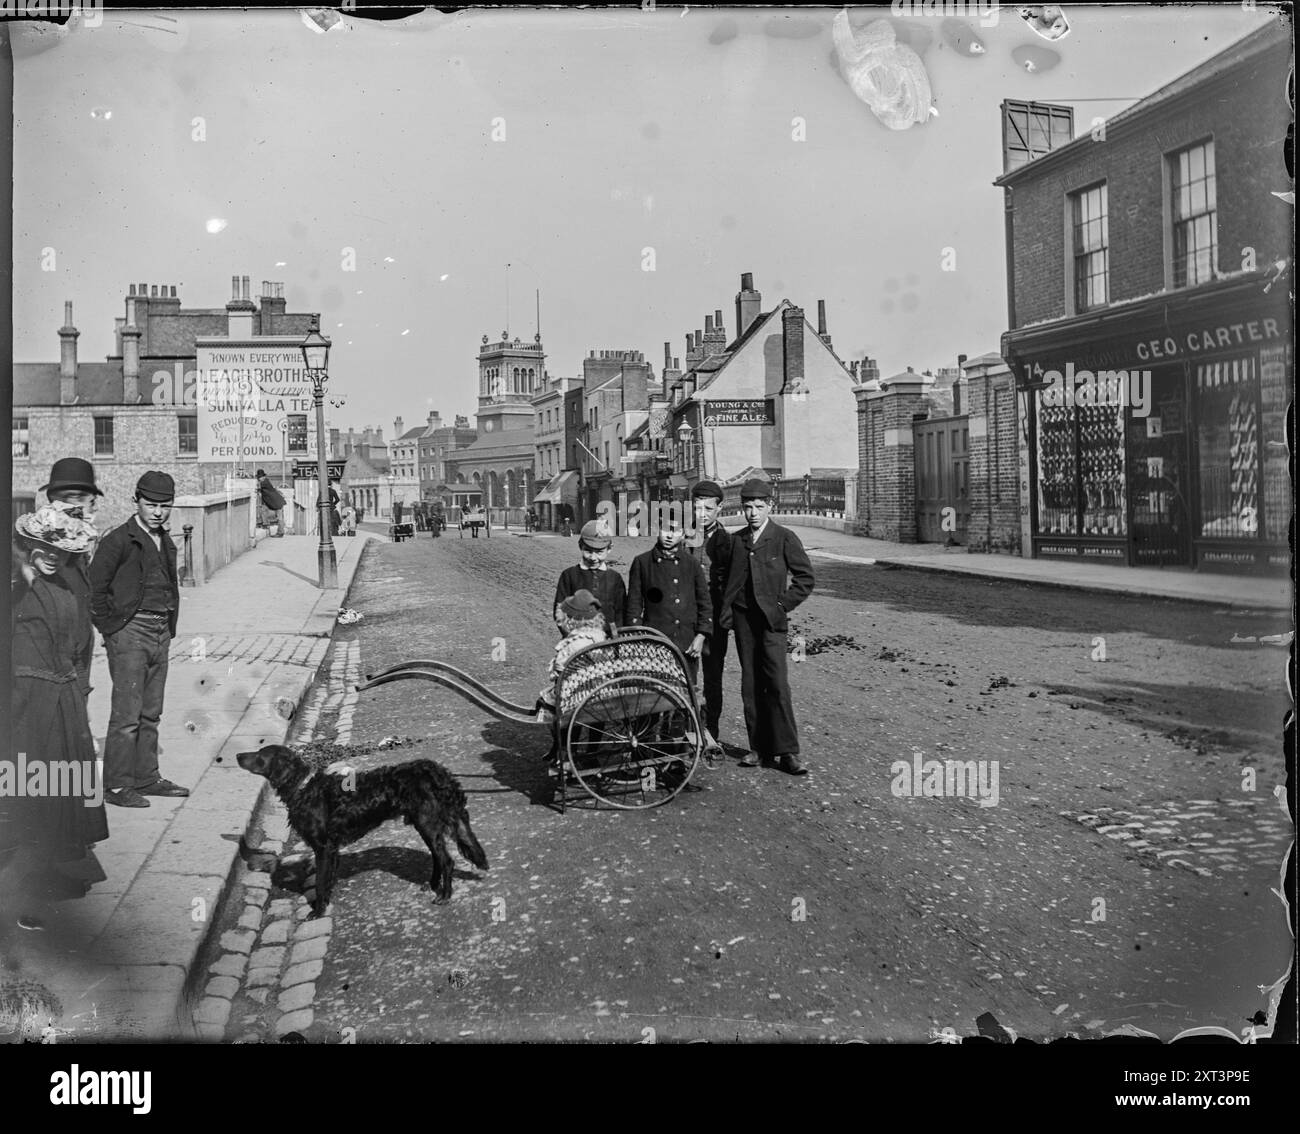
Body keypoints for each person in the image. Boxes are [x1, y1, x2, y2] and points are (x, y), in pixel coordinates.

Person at [5, 506, 109, 922]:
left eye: (60, 549)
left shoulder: (66, 586)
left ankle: (57, 873)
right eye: (44, 547)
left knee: (65, 792)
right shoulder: (16, 588)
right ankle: (26, 894)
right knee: (34, 793)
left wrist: (78, 687)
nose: (51, 555)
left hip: (64, 698)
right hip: (28, 702)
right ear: (29, 546)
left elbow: (80, 641)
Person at [89, 471, 189, 807]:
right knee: (127, 714)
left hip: (161, 632)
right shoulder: (118, 540)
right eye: (151, 505)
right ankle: (117, 785)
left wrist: (169, 627)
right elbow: (95, 590)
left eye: (165, 506)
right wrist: (111, 629)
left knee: (151, 711)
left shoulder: (166, 540)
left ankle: (147, 777)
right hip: (129, 633)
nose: (158, 512)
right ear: (137, 501)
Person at [717, 479, 815, 776]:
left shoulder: (784, 537)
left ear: (770, 506)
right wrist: (730, 611)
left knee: (776, 683)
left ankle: (787, 752)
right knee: (750, 683)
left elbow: (805, 579)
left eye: (759, 507)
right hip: (745, 621)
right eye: (748, 507)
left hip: (772, 622)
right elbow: (727, 579)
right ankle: (758, 748)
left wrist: (782, 605)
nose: (753, 513)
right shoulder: (737, 540)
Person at [686, 481, 734, 758]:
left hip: (715, 620)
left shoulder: (727, 541)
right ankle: (687, 730)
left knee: (713, 677)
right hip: (687, 618)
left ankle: (711, 731)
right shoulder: (683, 536)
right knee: (685, 674)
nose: (702, 513)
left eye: (708, 508)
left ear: (720, 508)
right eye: (697, 507)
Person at [534, 589, 609, 764]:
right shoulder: (597, 636)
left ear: (575, 620)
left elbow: (559, 670)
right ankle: (566, 749)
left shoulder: (575, 643)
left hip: (579, 694)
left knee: (545, 704)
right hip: (595, 688)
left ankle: (564, 749)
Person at [552, 519, 625, 635]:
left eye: (599, 552)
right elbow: (560, 611)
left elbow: (621, 613)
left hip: (609, 643)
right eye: (588, 551)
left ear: (609, 548)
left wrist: (616, 638)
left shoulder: (615, 578)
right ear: (580, 546)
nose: (593, 557)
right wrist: (573, 637)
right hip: (577, 642)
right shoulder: (569, 575)